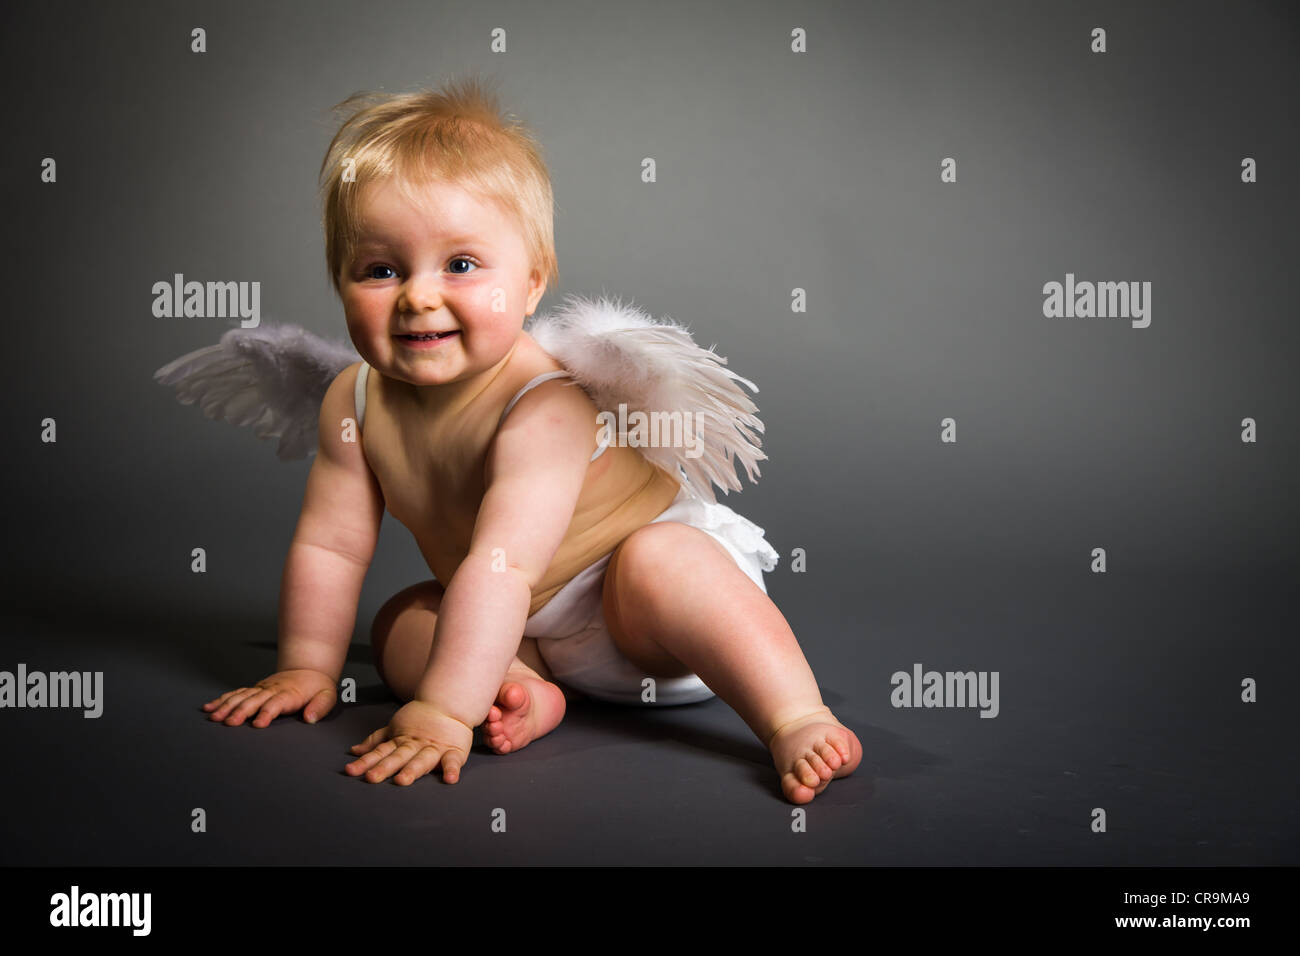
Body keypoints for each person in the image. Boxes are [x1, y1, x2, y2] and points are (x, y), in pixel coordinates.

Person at [202, 76, 861, 803]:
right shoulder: (352, 400)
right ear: (340, 281)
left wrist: (442, 711)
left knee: (660, 559)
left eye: (460, 264)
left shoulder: (544, 404)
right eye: (381, 270)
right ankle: (519, 691)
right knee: (402, 620)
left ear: (531, 284)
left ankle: (793, 713)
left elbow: (504, 564)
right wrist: (307, 665)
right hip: (521, 633)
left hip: (653, 627)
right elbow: (331, 545)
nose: (419, 296)